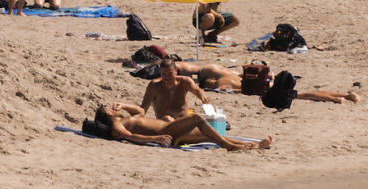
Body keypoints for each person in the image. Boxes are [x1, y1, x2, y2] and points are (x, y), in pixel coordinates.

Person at [92, 103, 273, 150]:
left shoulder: (124, 118)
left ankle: (253, 145)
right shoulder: (117, 126)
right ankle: (229, 146)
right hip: (165, 132)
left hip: (169, 128)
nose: (113, 108)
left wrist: (123, 106)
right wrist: (155, 138)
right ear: (108, 113)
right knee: (198, 119)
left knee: (208, 135)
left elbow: (140, 111)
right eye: (111, 108)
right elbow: (131, 137)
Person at [141, 63, 208, 118]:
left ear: (176, 71)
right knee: (167, 119)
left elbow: (196, 90)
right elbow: (144, 108)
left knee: (199, 118)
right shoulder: (154, 85)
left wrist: (202, 97)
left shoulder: (184, 81)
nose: (167, 77)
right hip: (165, 124)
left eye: (170, 73)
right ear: (160, 72)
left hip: (184, 122)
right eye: (163, 74)